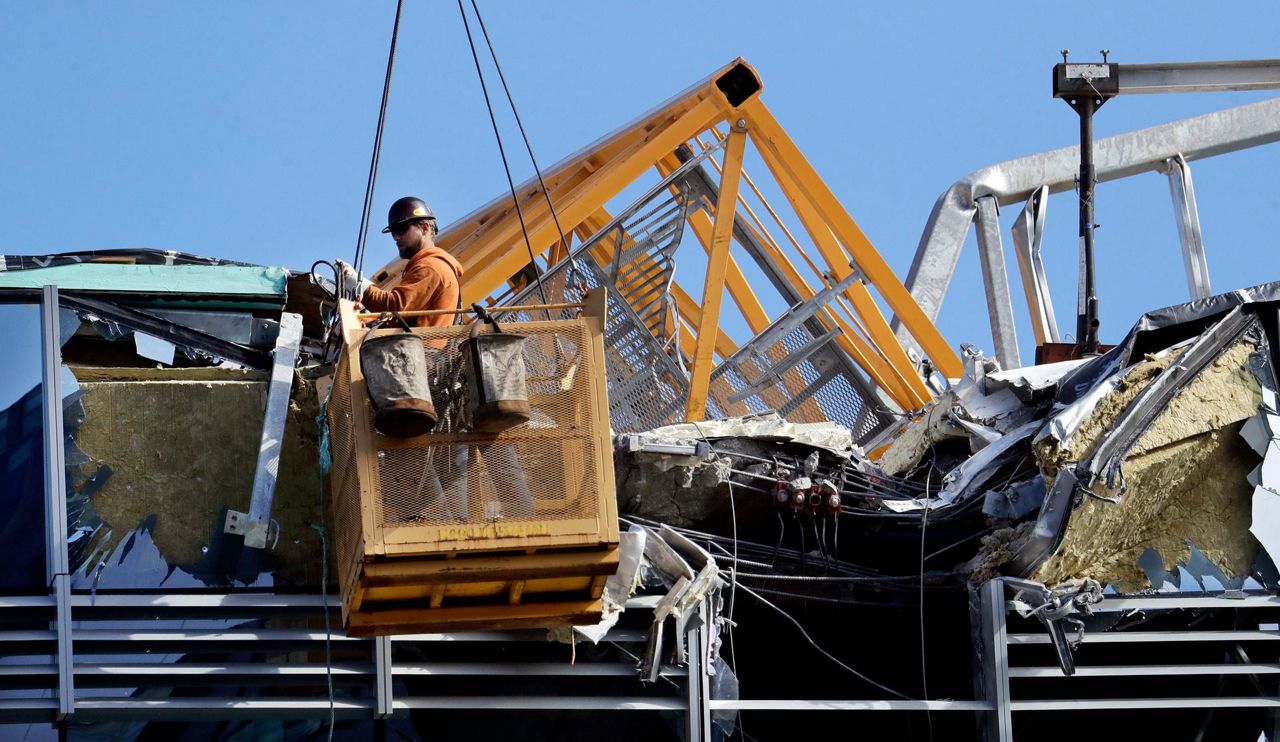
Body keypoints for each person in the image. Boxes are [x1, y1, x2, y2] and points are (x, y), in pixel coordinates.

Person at [342, 196, 464, 328]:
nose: (396, 237)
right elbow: (401, 319)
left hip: (423, 342)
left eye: (401, 230)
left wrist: (359, 285)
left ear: (424, 228)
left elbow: (395, 307)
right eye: (393, 233)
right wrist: (367, 319)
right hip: (416, 340)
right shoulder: (428, 265)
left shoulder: (431, 267)